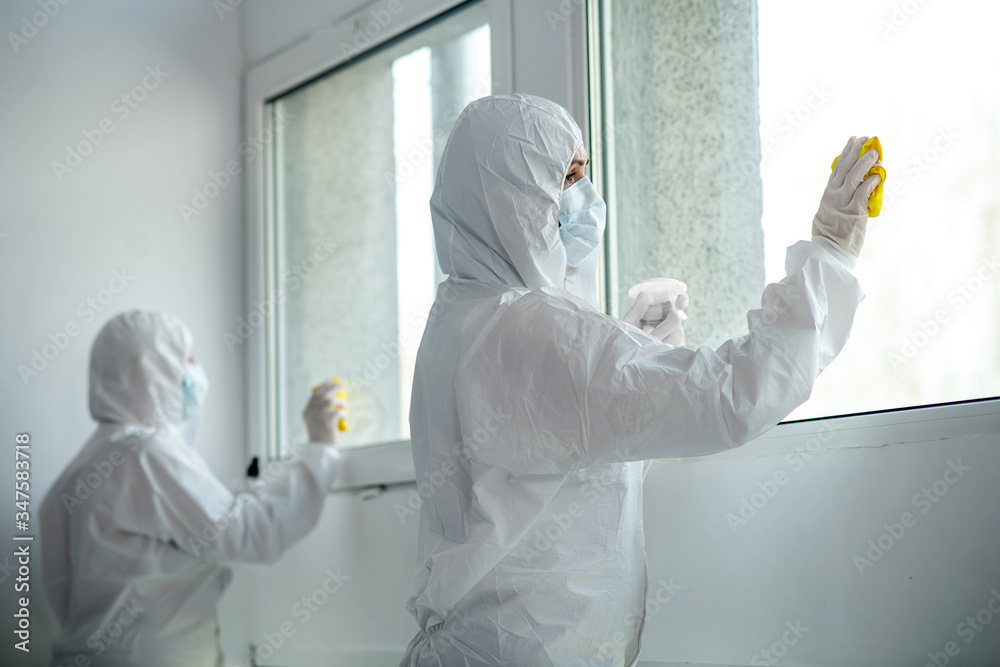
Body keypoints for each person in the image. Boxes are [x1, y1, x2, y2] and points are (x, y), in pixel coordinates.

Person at [400, 94, 881, 665]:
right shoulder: (526, 329)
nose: (584, 198)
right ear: (510, 196)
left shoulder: (459, 316)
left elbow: (551, 450)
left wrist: (641, 352)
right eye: (566, 178)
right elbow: (733, 393)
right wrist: (829, 254)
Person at [40, 310, 346, 666]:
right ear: (153, 369)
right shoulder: (146, 454)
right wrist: (320, 449)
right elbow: (250, 535)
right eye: (187, 358)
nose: (196, 371)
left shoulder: (75, 473)